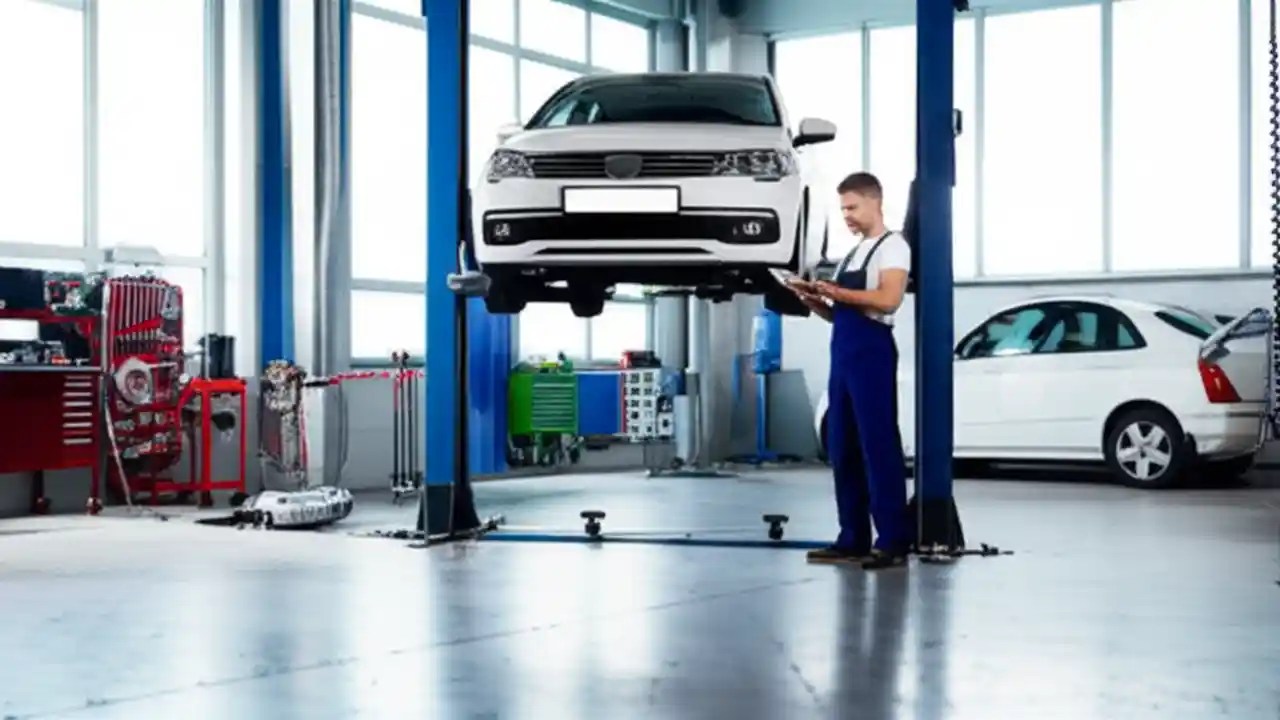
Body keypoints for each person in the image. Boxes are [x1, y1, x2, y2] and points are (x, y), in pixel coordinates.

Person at [787, 172, 910, 570]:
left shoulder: (894, 248)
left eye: (853, 207)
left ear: (876, 202)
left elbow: (888, 301)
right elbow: (838, 312)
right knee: (843, 447)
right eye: (843, 210)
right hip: (843, 353)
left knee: (878, 445)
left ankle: (891, 541)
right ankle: (852, 537)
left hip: (871, 351)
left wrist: (836, 293)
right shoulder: (852, 255)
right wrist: (812, 299)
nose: (848, 217)